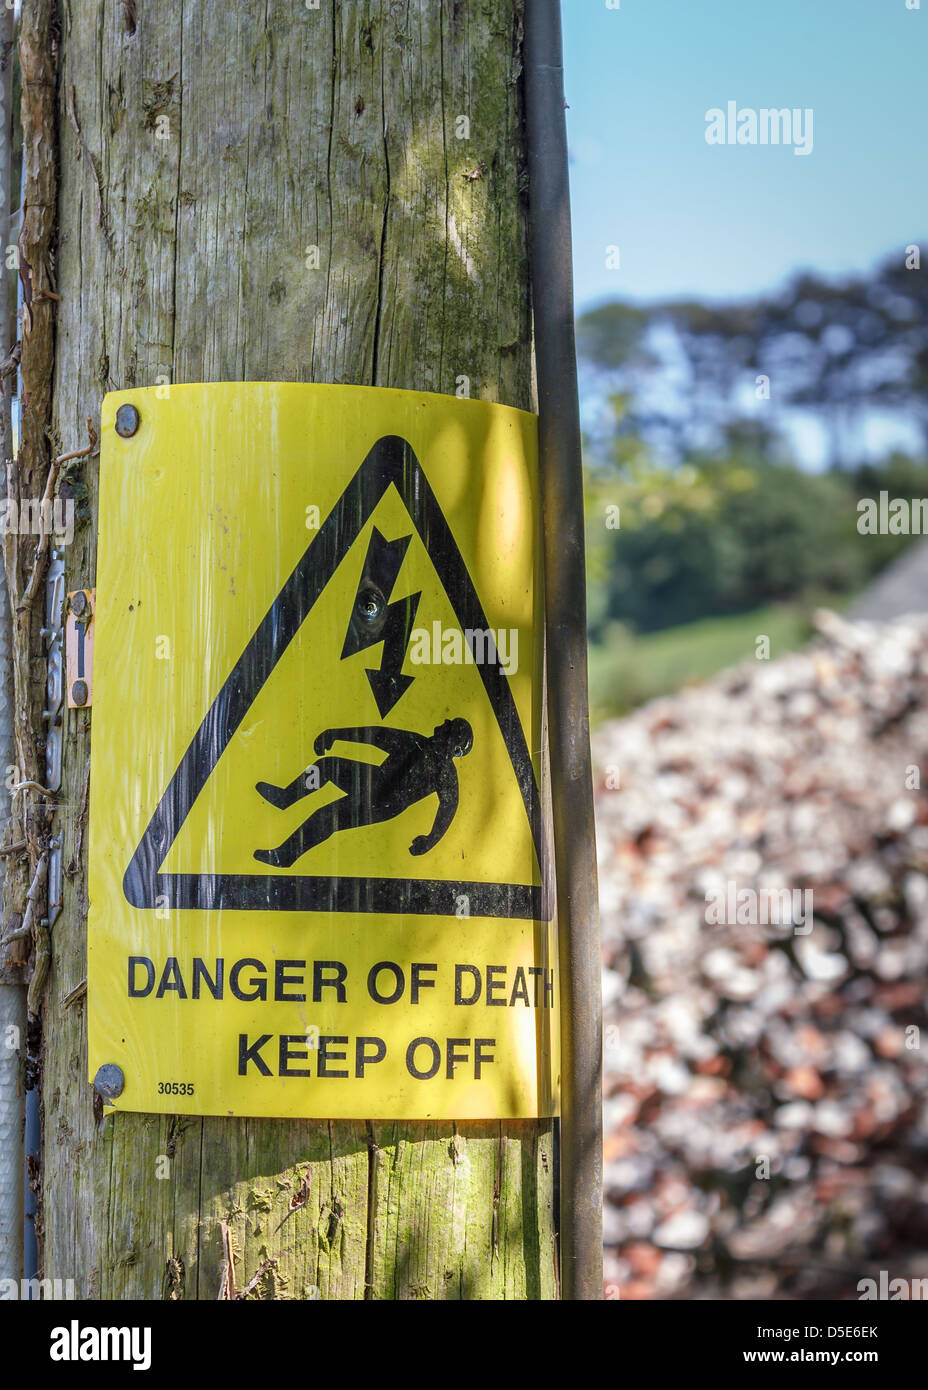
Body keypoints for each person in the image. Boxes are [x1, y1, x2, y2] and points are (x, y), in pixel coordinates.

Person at [253, 718, 474, 869]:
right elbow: (376, 735)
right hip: (373, 780)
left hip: (382, 802)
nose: (441, 726)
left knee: (327, 816)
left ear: (452, 738)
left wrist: (430, 840)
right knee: (328, 767)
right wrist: (335, 735)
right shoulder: (417, 742)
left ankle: (285, 856)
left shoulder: (444, 772)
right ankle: (285, 797)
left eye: (448, 727)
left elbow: (448, 808)